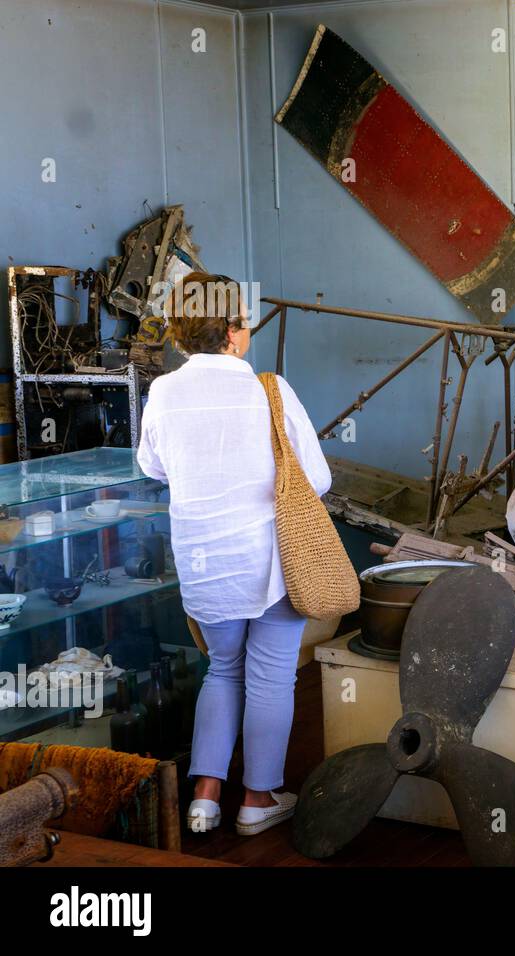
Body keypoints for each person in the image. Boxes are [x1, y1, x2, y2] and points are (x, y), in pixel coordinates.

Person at [136, 273, 331, 836]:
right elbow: (315, 478)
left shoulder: (163, 392)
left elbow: (153, 467)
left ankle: (204, 798)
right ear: (232, 331)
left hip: (201, 563)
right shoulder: (269, 390)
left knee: (221, 670)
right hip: (270, 564)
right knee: (271, 678)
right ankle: (257, 800)